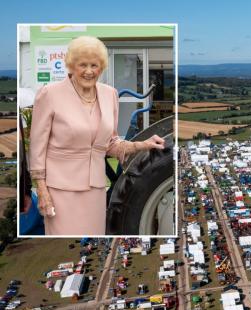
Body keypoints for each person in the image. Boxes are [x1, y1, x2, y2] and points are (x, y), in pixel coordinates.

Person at [28, 35, 165, 236]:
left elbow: (110, 143)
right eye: (83, 65)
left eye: (95, 65)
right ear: (71, 65)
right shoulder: (49, 94)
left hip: (96, 190)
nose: (89, 71)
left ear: (101, 67)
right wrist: (42, 191)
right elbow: (37, 146)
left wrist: (143, 144)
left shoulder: (109, 94)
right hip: (60, 190)